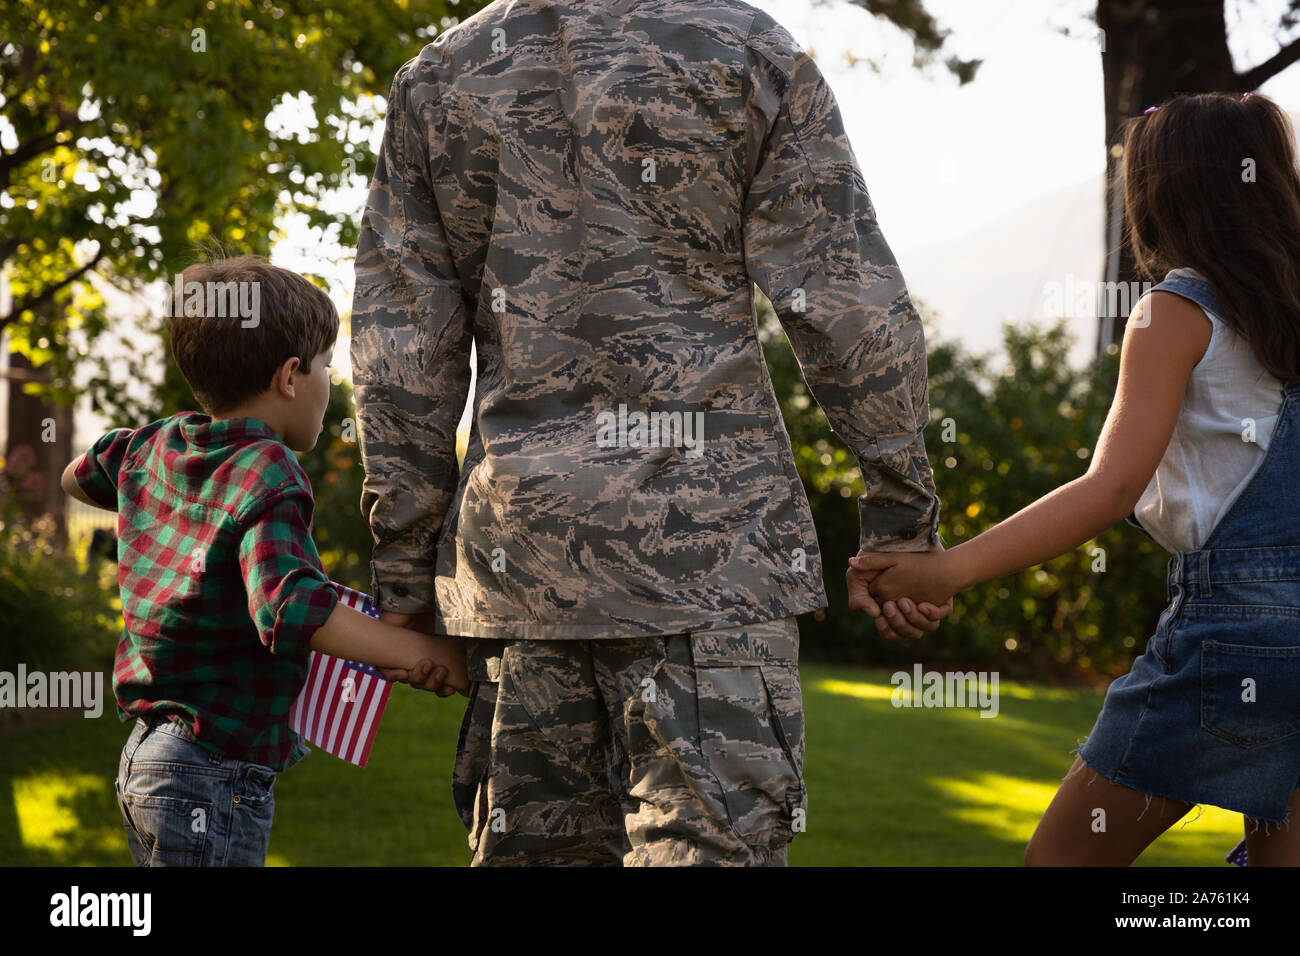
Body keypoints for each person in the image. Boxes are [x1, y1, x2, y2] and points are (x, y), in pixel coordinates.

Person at [351, 0, 951, 866]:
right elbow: (847, 304)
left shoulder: (441, 75)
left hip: (524, 571)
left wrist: (406, 570)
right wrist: (903, 518)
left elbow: (401, 349)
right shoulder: (750, 53)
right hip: (712, 566)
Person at [850, 92, 1300, 867]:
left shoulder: (1174, 313)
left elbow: (1110, 489)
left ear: (1160, 195)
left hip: (1236, 633)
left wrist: (949, 569)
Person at [60, 254, 468, 866]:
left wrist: (150, 499)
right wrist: (423, 653)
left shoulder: (153, 445)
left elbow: (74, 475)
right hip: (209, 771)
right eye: (327, 365)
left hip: (146, 758)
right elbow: (291, 608)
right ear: (289, 378)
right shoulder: (267, 467)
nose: (333, 383)